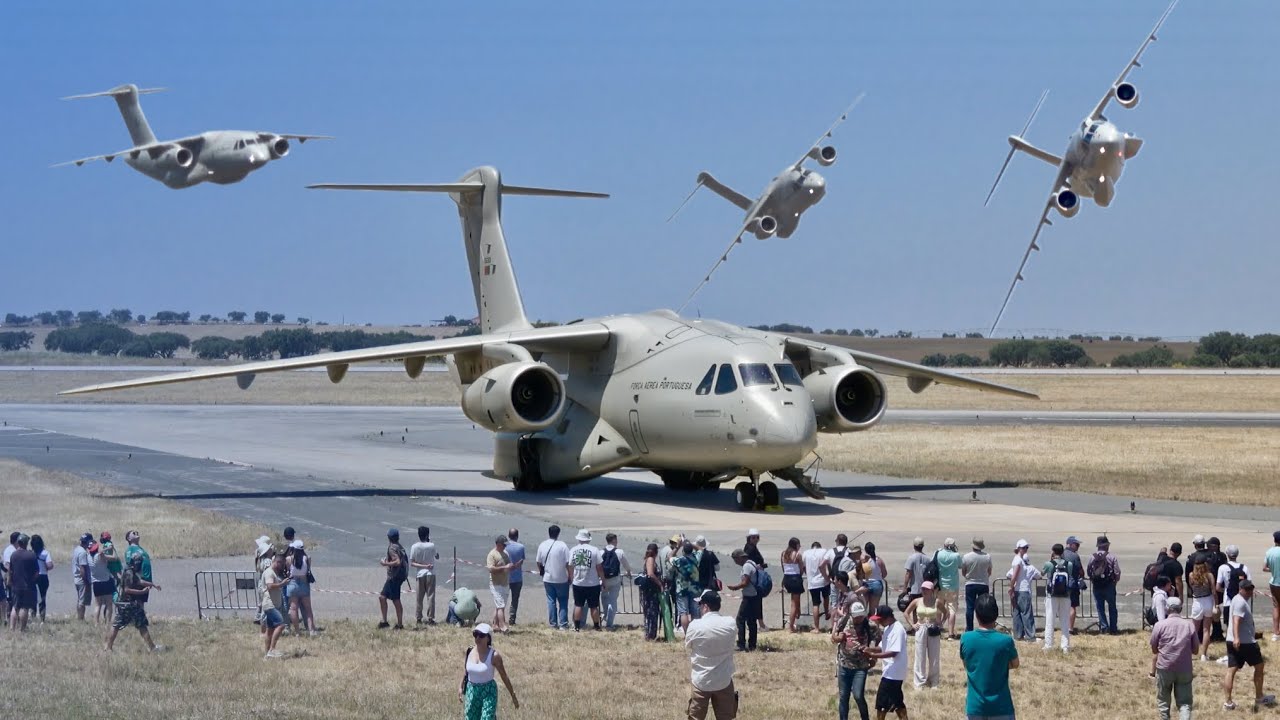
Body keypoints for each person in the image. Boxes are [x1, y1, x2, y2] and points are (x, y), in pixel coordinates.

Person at [961, 593, 1019, 720]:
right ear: (996, 614)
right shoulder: (1006, 641)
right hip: (1001, 706)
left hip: (975, 706)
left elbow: (966, 664)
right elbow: (1015, 664)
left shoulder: (966, 639)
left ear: (976, 615)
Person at [685, 589, 739, 719]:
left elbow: (688, 645)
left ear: (705, 606)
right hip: (723, 679)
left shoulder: (695, 625)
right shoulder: (730, 623)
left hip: (701, 680)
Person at [1224, 580, 1275, 711]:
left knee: (1231, 670)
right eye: (1247, 589)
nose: (1249, 592)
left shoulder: (1236, 599)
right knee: (1259, 666)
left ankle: (1228, 702)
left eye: (1251, 589)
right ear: (1240, 589)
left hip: (1232, 640)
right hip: (1245, 642)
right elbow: (1236, 620)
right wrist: (1237, 638)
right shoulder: (1241, 602)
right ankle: (1259, 697)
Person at [1150, 596, 1198, 720]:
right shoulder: (1189, 626)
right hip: (1184, 668)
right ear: (1181, 609)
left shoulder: (1159, 625)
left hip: (1164, 667)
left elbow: (1154, 648)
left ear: (1167, 609)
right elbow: (1196, 650)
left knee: (1163, 701)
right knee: (1185, 703)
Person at [458, 623, 519, 720]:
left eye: (481, 635)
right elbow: (466, 670)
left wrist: (513, 695)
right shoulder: (469, 651)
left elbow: (504, 676)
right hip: (472, 691)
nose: (478, 638)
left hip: (488, 691)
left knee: (487, 718)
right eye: (475, 634)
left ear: (488, 638)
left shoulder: (494, 656)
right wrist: (461, 687)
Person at [105, 552, 162, 652]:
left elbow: (139, 582)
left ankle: (108, 647)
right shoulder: (129, 573)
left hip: (126, 604)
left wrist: (153, 585)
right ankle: (152, 648)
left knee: (117, 625)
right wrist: (141, 592)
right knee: (141, 625)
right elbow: (127, 589)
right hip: (129, 604)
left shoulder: (131, 571)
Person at [833, 600, 879, 720]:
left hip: (860, 666)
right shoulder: (843, 621)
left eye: (861, 616)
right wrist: (839, 637)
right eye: (856, 617)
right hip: (844, 664)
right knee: (844, 696)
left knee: (858, 695)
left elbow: (877, 642)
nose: (859, 619)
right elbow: (833, 637)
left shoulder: (870, 625)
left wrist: (871, 654)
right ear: (851, 615)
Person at [863, 604, 909, 720]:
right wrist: (869, 649)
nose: (878, 623)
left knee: (881, 703)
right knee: (897, 701)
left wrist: (873, 655)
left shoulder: (898, 630)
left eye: (879, 620)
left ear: (887, 617)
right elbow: (883, 647)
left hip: (894, 672)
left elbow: (893, 652)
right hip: (890, 670)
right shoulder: (888, 628)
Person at [904, 581, 948, 690]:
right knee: (920, 656)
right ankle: (919, 682)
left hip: (933, 628)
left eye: (927, 589)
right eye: (923, 589)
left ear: (932, 591)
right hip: (921, 628)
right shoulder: (917, 601)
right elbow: (906, 613)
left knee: (934, 656)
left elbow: (946, 613)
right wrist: (912, 625)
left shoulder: (937, 602)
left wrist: (941, 623)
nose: (924, 591)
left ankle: (934, 681)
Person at [535, 524, 571, 630]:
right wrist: (570, 575)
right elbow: (568, 563)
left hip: (548, 578)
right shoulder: (563, 545)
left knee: (551, 601)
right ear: (558, 534)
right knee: (563, 601)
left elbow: (538, 561)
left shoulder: (543, 545)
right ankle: (563, 624)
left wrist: (541, 570)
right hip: (561, 578)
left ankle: (553, 624)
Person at [569, 528, 603, 631]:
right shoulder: (594, 550)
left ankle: (577, 626)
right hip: (593, 582)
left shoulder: (573, 550)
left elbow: (570, 566)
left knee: (578, 605)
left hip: (578, 582)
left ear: (579, 538)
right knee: (593, 606)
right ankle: (596, 626)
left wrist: (571, 578)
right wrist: (603, 579)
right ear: (588, 539)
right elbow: (599, 567)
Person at [1216, 544, 1252, 642]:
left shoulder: (1223, 568)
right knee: (1243, 625)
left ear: (1227, 554)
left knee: (1230, 625)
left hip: (1228, 601)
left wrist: (1227, 590)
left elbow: (1218, 587)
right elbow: (1249, 585)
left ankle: (1231, 644)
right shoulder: (1244, 568)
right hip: (1242, 601)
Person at [1042, 543, 1073, 653]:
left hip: (1052, 595)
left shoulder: (1049, 564)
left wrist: (1050, 560)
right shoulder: (1068, 564)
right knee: (1064, 621)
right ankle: (1065, 646)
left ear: (1053, 551)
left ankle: (1048, 645)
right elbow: (1070, 575)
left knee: (1050, 620)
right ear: (1062, 552)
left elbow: (1042, 573)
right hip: (1065, 595)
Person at [728, 549, 761, 652]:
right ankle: (752, 645)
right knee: (751, 621)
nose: (735, 562)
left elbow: (745, 582)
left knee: (740, 620)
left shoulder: (746, 566)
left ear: (740, 557)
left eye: (735, 559)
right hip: (754, 596)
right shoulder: (752, 563)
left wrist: (735, 587)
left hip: (749, 597)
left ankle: (741, 644)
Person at [1087, 535, 1121, 634]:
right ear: (1106, 545)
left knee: (1100, 608)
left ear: (1098, 546)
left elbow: (1089, 571)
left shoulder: (1092, 557)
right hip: (1109, 585)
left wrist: (1093, 579)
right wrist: (1115, 582)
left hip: (1097, 586)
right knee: (1112, 607)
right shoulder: (1112, 556)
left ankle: (1104, 627)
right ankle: (1113, 629)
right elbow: (1117, 572)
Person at [1008, 539, 1038, 642]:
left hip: (1018, 589)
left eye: (1026, 547)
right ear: (1019, 548)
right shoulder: (1018, 560)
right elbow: (1014, 575)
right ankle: (1030, 636)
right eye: (1024, 547)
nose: (1026, 549)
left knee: (1017, 611)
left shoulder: (1018, 559)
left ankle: (1018, 634)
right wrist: (1011, 587)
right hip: (1022, 589)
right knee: (1026, 613)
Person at [378, 527, 407, 630]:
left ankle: (399, 624)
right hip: (397, 577)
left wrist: (385, 563)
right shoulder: (399, 546)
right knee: (382, 597)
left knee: (395, 600)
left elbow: (397, 561)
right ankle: (385, 621)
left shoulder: (392, 548)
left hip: (393, 578)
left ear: (389, 537)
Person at [600, 532, 631, 630]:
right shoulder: (619, 552)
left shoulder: (601, 552)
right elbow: (626, 565)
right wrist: (628, 572)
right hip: (615, 580)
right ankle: (609, 624)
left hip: (603, 580)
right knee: (612, 601)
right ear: (614, 540)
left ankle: (605, 614)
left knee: (604, 598)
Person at [1187, 559, 1216, 662]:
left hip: (1197, 602)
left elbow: (1191, 587)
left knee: (1194, 629)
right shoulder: (1209, 575)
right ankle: (1203, 654)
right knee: (1206, 630)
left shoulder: (1191, 575)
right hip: (1207, 600)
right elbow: (1213, 590)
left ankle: (1190, 652)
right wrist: (1216, 604)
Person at [961, 537, 992, 632]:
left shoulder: (966, 557)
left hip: (970, 584)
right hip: (983, 583)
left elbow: (963, 572)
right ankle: (984, 626)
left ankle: (969, 628)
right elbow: (989, 571)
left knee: (970, 607)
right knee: (984, 606)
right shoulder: (987, 556)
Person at [286, 540, 317, 637]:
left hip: (293, 583)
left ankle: (297, 632)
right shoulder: (307, 558)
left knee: (293, 609)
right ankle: (311, 630)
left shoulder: (289, 559)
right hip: (304, 583)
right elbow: (308, 569)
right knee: (308, 609)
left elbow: (287, 571)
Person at [260, 553, 288, 658]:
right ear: (277, 562)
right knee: (281, 625)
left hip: (274, 604)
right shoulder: (269, 573)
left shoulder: (273, 573)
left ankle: (267, 655)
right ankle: (272, 650)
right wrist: (282, 584)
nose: (283, 567)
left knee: (270, 630)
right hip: (269, 604)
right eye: (282, 564)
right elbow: (270, 586)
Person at [7, 534, 37, 632]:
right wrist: (32, 580)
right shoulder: (31, 555)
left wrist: (10, 581)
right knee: (24, 608)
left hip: (15, 585)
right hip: (27, 586)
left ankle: (12, 628)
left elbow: (10, 571)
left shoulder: (13, 555)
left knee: (15, 607)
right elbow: (37, 572)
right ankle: (22, 630)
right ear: (25, 543)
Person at [409, 525, 438, 626]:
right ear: (427, 535)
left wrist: (422, 565)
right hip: (431, 573)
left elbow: (412, 563)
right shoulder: (431, 545)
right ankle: (431, 618)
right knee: (431, 597)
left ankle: (418, 617)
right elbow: (437, 556)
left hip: (420, 574)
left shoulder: (414, 546)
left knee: (419, 597)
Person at [486, 535, 514, 634]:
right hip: (496, 584)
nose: (505, 547)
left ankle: (495, 625)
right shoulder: (492, 554)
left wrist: (512, 566)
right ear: (498, 544)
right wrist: (504, 567)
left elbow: (508, 564)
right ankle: (503, 626)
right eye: (504, 545)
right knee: (500, 605)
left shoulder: (505, 553)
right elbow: (491, 569)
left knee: (499, 606)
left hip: (505, 582)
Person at [935, 538, 961, 638]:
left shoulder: (939, 553)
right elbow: (960, 565)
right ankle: (950, 633)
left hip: (941, 585)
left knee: (938, 608)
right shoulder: (956, 555)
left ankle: (937, 629)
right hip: (953, 586)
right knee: (952, 609)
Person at [674, 541, 703, 632]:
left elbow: (669, 557)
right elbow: (700, 549)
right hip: (695, 589)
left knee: (683, 612)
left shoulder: (679, 560)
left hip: (682, 589)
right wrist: (689, 542)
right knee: (696, 612)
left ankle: (687, 633)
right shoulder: (696, 558)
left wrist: (678, 546)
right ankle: (695, 632)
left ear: (683, 551)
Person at [803, 540, 831, 633]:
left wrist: (808, 574)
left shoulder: (806, 553)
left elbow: (803, 567)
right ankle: (827, 612)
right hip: (823, 580)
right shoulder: (824, 551)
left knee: (815, 604)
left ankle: (816, 628)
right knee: (826, 597)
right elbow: (828, 563)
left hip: (812, 582)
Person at [744, 529, 768, 632]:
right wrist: (761, 566)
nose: (756, 539)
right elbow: (750, 563)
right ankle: (760, 624)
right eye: (753, 537)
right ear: (749, 538)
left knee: (754, 601)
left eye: (757, 537)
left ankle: (757, 623)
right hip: (754, 578)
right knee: (756, 601)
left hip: (754, 576)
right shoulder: (750, 549)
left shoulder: (752, 547)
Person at [123, 530, 153, 608]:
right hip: (139, 579)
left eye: (137, 532)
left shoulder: (140, 548)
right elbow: (130, 565)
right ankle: (137, 619)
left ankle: (140, 618)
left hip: (146, 579)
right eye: (133, 533)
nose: (136, 533)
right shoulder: (130, 550)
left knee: (141, 602)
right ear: (129, 538)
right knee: (137, 603)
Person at [1063, 535, 1086, 634]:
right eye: (1076, 544)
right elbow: (1080, 571)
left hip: (1061, 584)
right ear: (1070, 544)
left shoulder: (1060, 553)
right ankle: (1070, 628)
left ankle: (1064, 627)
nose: (1077, 546)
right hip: (1072, 584)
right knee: (1072, 606)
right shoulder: (1075, 556)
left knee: (1062, 606)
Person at [88, 540, 115, 624]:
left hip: (96, 582)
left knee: (97, 605)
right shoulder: (100, 556)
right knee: (109, 603)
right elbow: (114, 558)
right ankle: (108, 622)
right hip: (106, 581)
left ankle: (96, 623)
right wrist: (112, 549)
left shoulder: (88, 556)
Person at [640, 542, 662, 641]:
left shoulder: (648, 559)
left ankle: (650, 634)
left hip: (650, 590)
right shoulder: (650, 560)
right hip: (651, 590)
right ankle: (650, 635)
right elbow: (651, 574)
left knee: (650, 612)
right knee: (651, 612)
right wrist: (660, 584)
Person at [782, 537, 804, 633]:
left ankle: (796, 614)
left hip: (787, 578)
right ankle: (791, 626)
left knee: (794, 600)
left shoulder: (783, 554)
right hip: (795, 578)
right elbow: (801, 568)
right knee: (794, 604)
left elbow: (783, 567)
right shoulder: (797, 555)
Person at [504, 528, 525, 625]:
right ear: (517, 536)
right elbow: (521, 561)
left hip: (505, 576)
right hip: (517, 578)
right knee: (514, 599)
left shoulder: (504, 546)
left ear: (508, 536)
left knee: (502, 598)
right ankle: (512, 618)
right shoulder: (521, 547)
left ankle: (500, 617)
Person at [30, 534, 51, 624]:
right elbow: (50, 565)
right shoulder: (45, 553)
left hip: (33, 577)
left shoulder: (30, 553)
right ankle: (42, 619)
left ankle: (33, 617)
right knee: (42, 598)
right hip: (43, 576)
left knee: (33, 598)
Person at [72, 532, 93, 621]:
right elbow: (82, 568)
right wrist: (86, 582)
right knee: (82, 602)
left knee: (80, 600)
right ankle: (81, 619)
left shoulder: (77, 549)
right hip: (82, 580)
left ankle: (79, 617)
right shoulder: (83, 553)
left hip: (76, 578)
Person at [862, 542, 887, 611]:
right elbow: (884, 574)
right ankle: (873, 620)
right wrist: (878, 577)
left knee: (863, 607)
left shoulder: (863, 561)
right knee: (874, 609)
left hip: (865, 584)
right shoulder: (879, 560)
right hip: (877, 584)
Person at [902, 537, 927, 603]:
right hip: (925, 589)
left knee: (915, 609)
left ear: (914, 546)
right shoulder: (927, 559)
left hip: (914, 589)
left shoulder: (911, 558)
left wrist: (905, 588)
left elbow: (908, 574)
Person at [1266, 530, 1280, 643]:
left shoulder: (1270, 552)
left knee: (1276, 606)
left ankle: (1276, 632)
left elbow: (1265, 567)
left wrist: (1274, 569)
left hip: (1274, 582)